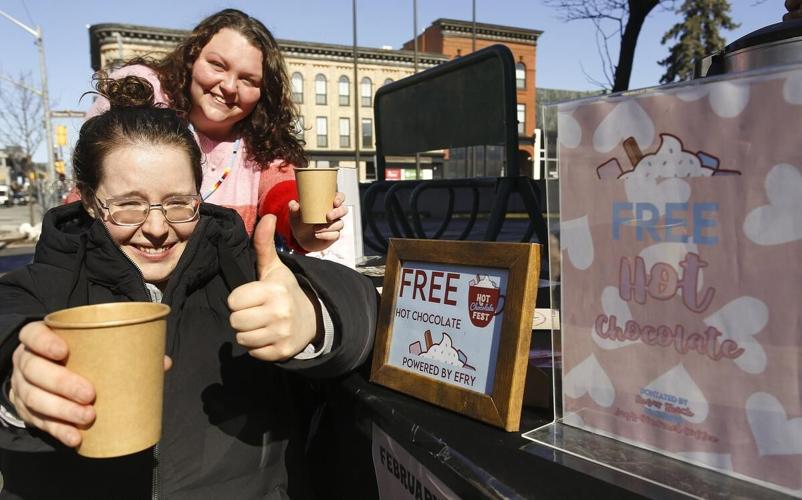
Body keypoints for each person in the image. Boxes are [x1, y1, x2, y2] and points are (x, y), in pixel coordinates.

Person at [0, 76, 377, 499]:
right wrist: (18, 386)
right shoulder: (46, 286)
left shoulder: (240, 270)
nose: (158, 228)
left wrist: (314, 315)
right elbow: (8, 325)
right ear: (88, 200)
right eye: (128, 205)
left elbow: (368, 309)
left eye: (179, 203)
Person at [67, 8, 344, 253]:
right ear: (191, 59)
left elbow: (282, 193)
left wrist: (302, 224)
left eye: (248, 79)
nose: (229, 86)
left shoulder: (263, 143)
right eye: (217, 65)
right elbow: (90, 177)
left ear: (263, 93)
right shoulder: (143, 93)